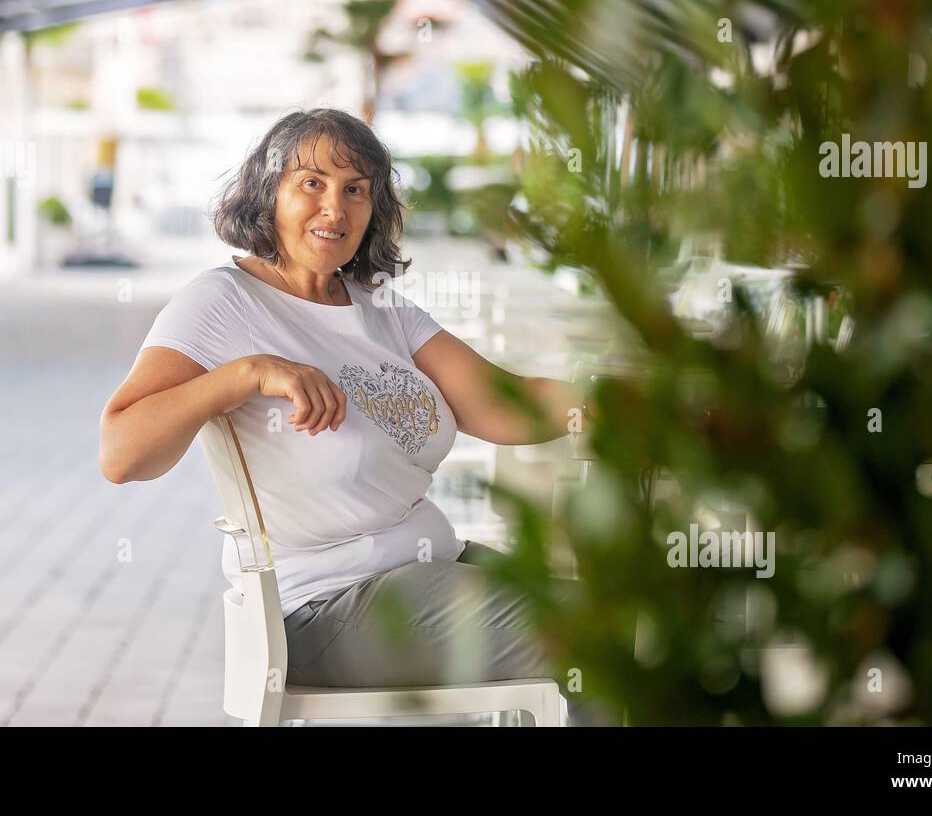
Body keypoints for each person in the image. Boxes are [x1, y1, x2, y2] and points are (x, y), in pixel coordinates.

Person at [99, 108, 615, 725]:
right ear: (268, 192)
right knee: (597, 648)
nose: (333, 209)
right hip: (326, 608)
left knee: (618, 622)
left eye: (355, 190)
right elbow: (121, 454)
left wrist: (620, 404)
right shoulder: (222, 302)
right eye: (310, 183)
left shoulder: (382, 310)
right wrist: (246, 373)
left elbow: (506, 404)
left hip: (429, 569)